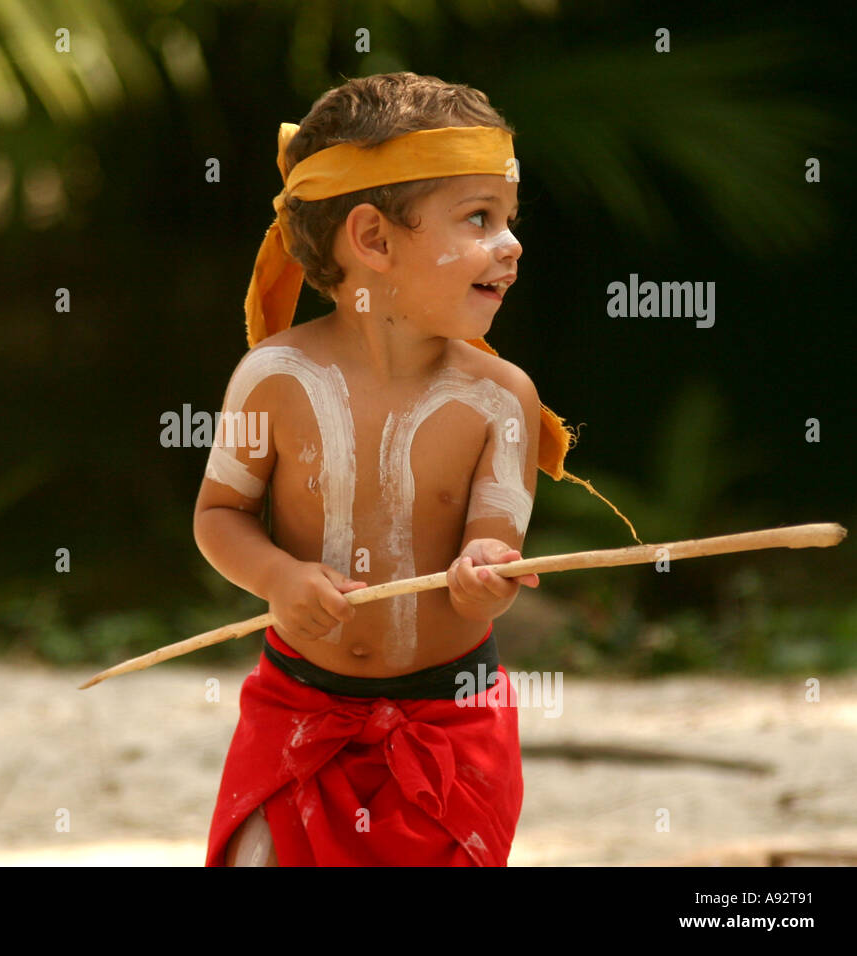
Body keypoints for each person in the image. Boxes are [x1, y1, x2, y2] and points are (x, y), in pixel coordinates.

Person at [195, 72, 633, 867]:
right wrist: (279, 578)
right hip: (299, 709)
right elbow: (218, 516)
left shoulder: (502, 400)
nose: (512, 244)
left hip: (450, 720)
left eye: (507, 219)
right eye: (478, 218)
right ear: (373, 240)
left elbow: (494, 545)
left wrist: (485, 572)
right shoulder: (271, 377)